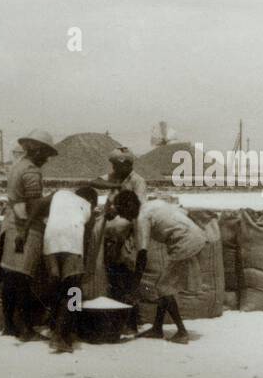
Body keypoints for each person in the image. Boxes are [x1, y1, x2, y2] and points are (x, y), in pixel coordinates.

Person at [113, 190, 205, 345]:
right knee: (163, 286)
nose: (122, 216)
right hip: (195, 236)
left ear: (130, 206)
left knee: (163, 288)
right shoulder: (152, 204)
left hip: (185, 242)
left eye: (122, 212)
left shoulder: (141, 218)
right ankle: (157, 328)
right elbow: (180, 212)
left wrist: (135, 286)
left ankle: (182, 332)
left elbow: (142, 255)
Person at [0, 129, 57, 342]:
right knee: (24, 278)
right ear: (38, 150)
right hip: (25, 227)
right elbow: (33, 206)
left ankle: (8, 326)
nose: (47, 160)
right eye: (46, 154)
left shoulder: (17, 166)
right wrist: (52, 199)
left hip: (11, 223)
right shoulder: (32, 171)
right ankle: (25, 328)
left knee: (10, 278)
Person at [28, 185, 99, 354]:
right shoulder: (87, 207)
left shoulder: (60, 194)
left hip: (50, 240)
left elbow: (38, 205)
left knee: (57, 286)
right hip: (72, 244)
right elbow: (87, 240)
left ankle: (55, 328)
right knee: (74, 291)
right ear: (91, 200)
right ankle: (61, 335)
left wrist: (25, 230)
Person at [93, 147, 147, 333]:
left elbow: (136, 208)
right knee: (113, 279)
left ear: (127, 164)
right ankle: (118, 320)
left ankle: (131, 322)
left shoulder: (138, 181)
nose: (113, 168)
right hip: (111, 237)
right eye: (113, 165)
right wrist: (112, 186)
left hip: (127, 236)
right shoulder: (115, 177)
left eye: (117, 165)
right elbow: (95, 181)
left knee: (126, 279)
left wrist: (116, 209)